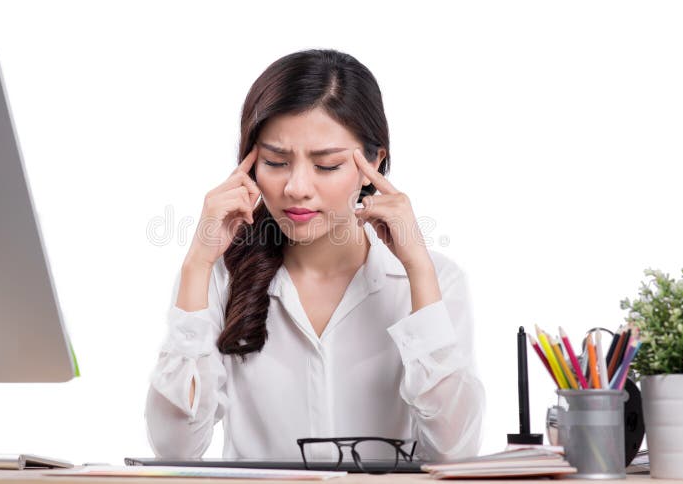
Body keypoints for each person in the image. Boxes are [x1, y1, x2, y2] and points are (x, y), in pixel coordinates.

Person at [144, 49, 485, 462]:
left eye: (326, 166)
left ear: (373, 163)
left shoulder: (436, 281)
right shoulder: (216, 279)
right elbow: (175, 449)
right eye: (275, 162)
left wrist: (419, 272)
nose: (297, 188)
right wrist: (197, 263)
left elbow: (453, 453)